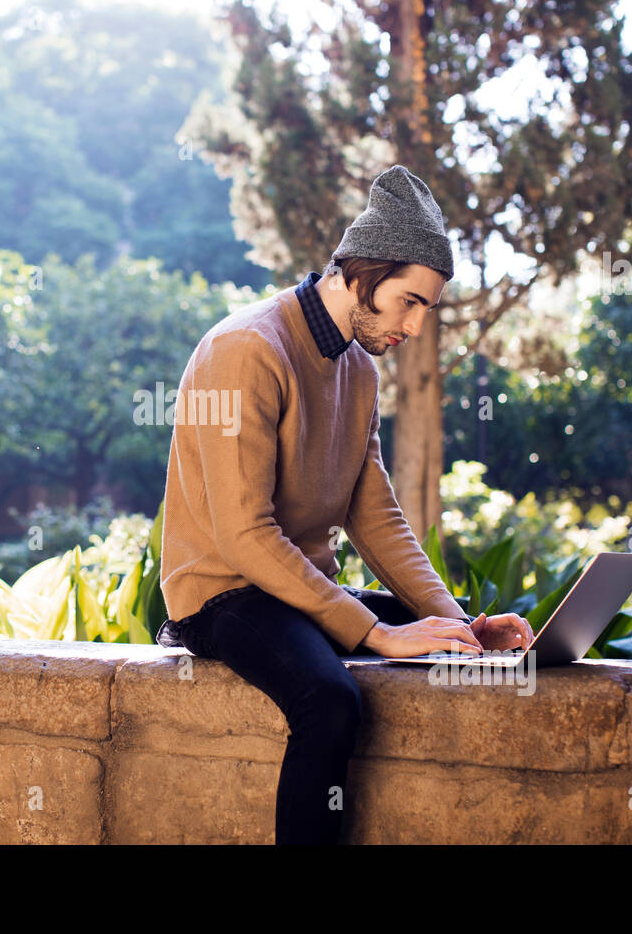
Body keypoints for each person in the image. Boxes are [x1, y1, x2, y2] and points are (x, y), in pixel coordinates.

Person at [156, 164, 535, 845]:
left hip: (294, 592)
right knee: (329, 701)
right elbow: (243, 535)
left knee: (448, 649)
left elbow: (375, 517)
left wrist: (456, 625)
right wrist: (379, 633)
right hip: (222, 597)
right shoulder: (245, 350)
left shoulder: (358, 369)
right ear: (363, 272)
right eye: (409, 301)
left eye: (427, 308)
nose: (415, 326)